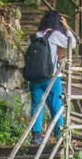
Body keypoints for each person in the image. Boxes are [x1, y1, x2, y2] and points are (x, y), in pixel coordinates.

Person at [26, 9, 77, 145]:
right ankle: (60, 135)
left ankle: (36, 136)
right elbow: (72, 44)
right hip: (52, 77)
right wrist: (66, 27)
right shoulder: (54, 35)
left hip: (35, 78)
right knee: (56, 105)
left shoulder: (35, 36)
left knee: (37, 106)